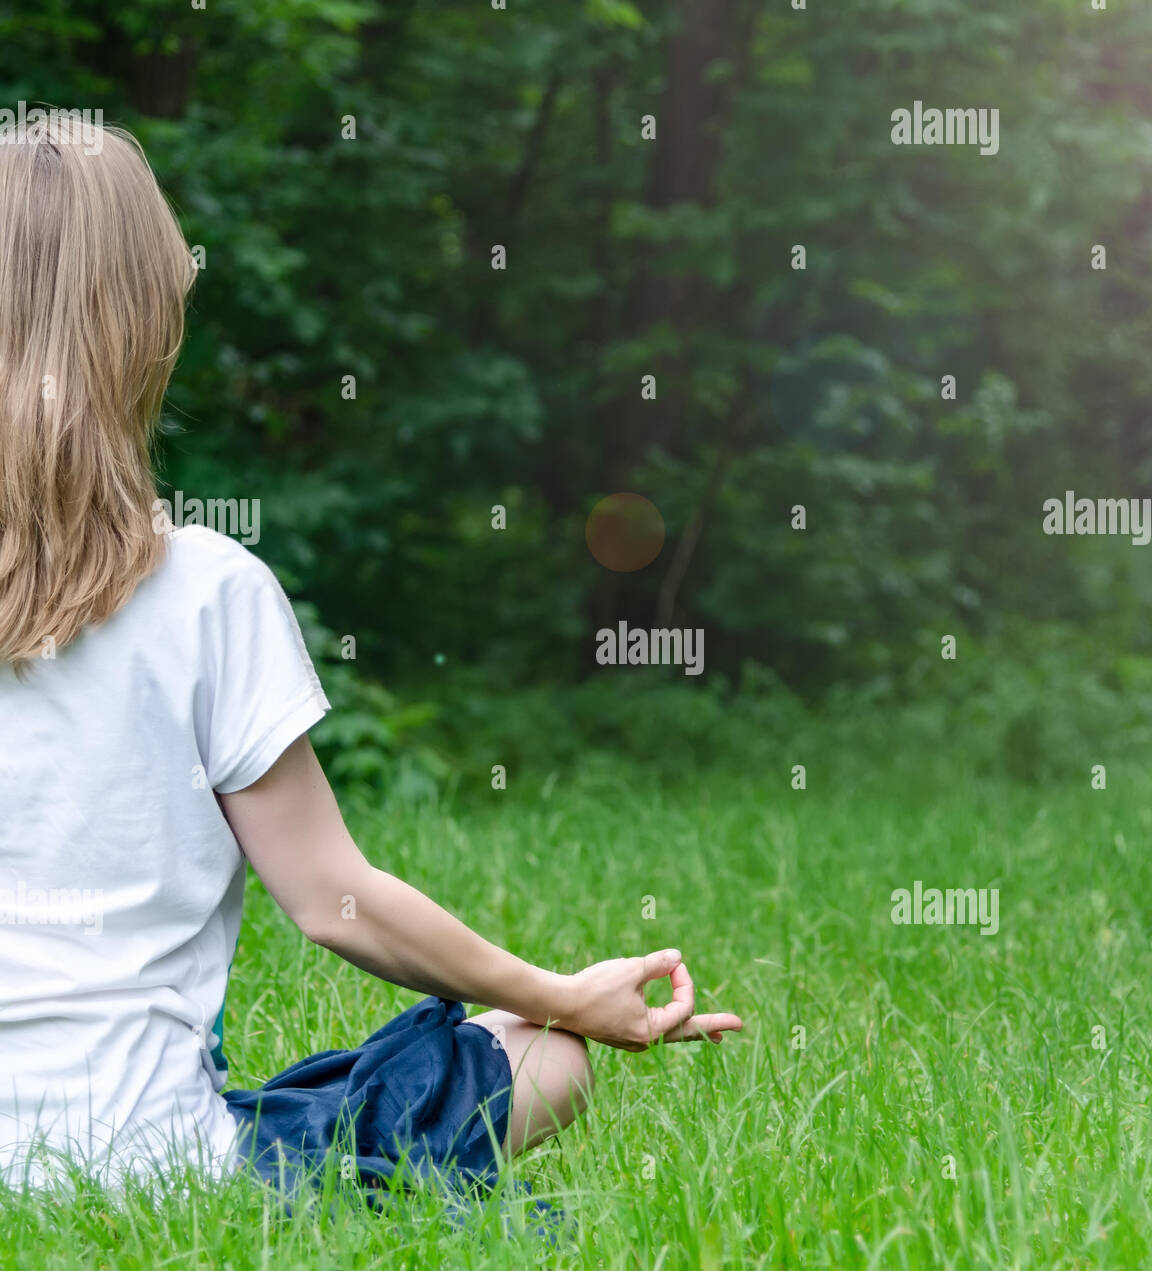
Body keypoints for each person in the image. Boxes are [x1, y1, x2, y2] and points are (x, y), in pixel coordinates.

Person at [0, 116, 742, 1195]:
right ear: (140, 325)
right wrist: (559, 994)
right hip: (157, 1165)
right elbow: (329, 896)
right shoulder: (204, 586)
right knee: (541, 1056)